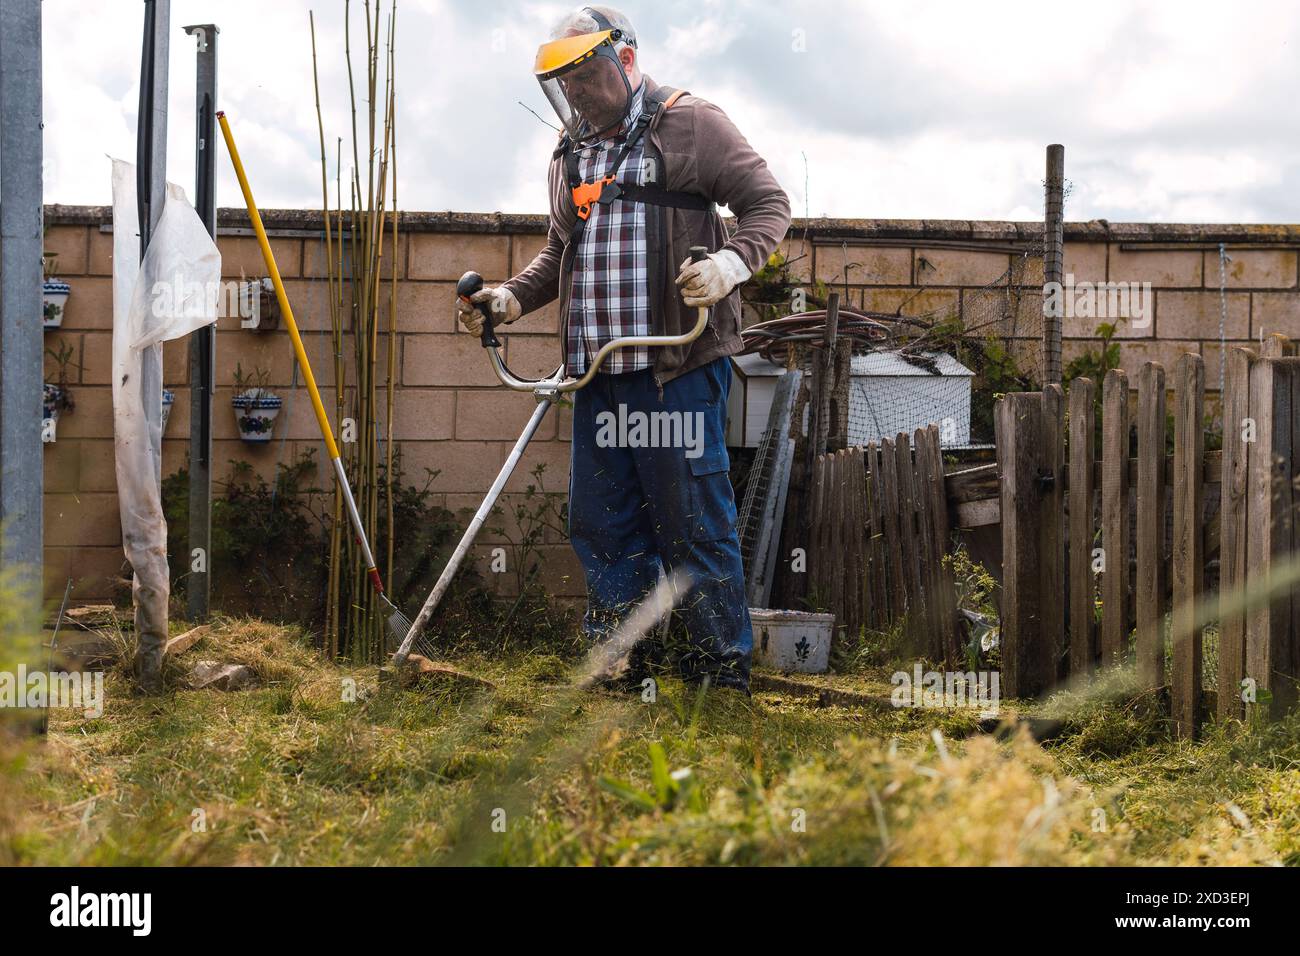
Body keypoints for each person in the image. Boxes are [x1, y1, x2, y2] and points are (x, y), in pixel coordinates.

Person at [457, 5, 790, 694]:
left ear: (626, 62)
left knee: (693, 523)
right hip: (597, 378)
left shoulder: (692, 124)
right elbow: (560, 254)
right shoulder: (570, 151)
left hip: (676, 370)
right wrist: (512, 298)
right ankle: (622, 666)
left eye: (586, 76)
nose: (576, 92)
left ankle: (717, 676)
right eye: (565, 82)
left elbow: (768, 204)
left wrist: (730, 265)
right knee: (605, 526)